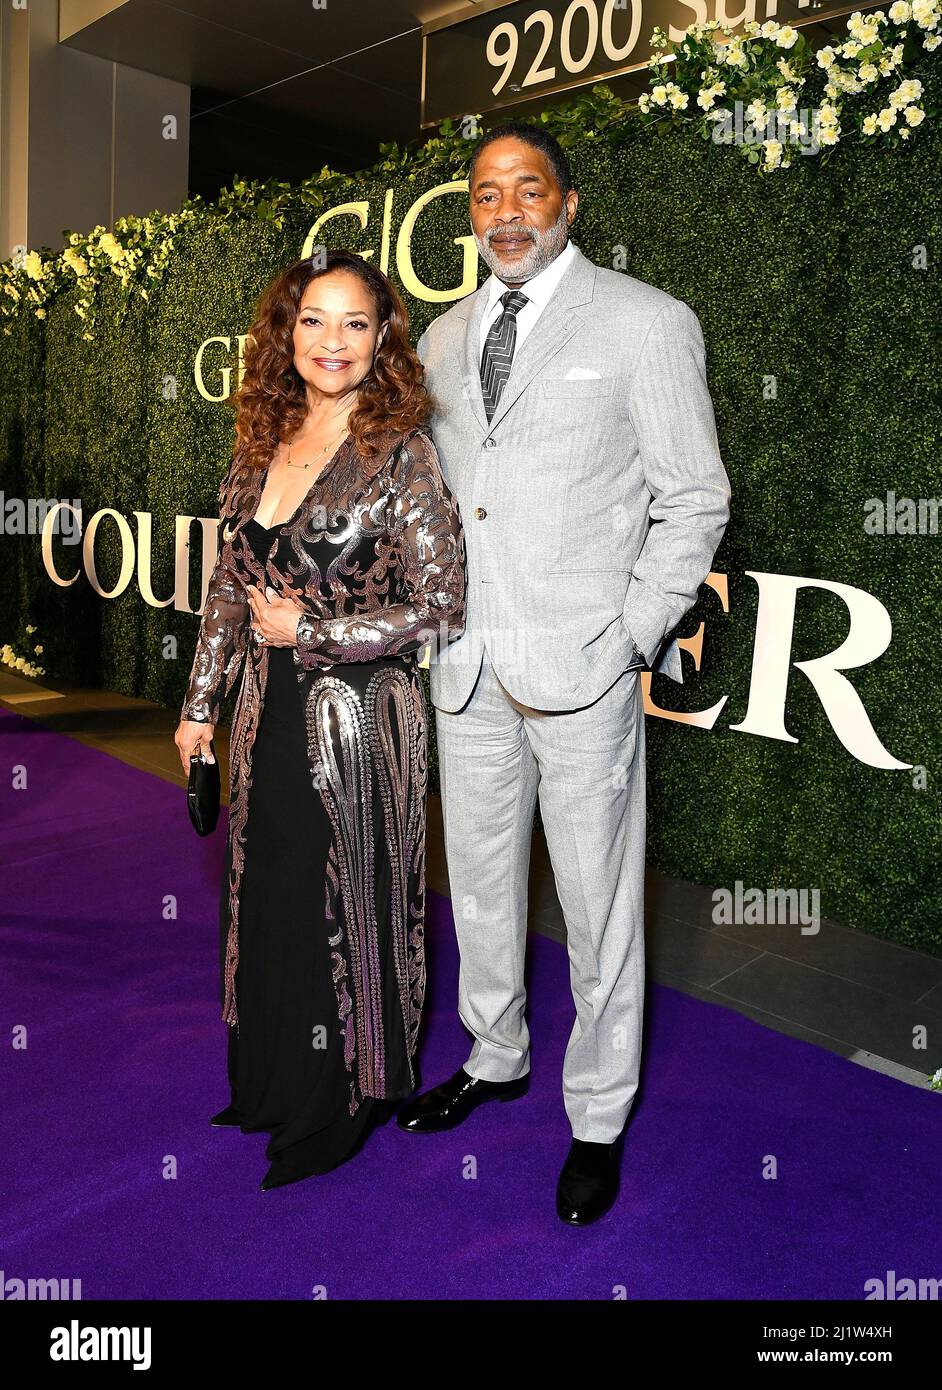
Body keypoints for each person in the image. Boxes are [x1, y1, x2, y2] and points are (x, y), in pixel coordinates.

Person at [396, 122, 731, 1226]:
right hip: (467, 665)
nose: (505, 212)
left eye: (527, 190)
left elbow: (696, 497)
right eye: (486, 195)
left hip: (585, 668)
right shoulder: (440, 340)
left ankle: (597, 1113)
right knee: (483, 883)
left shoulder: (646, 323)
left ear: (569, 204)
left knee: (598, 904)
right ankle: (495, 1056)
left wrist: (633, 631)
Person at [174, 249, 466, 1191]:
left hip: (359, 716)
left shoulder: (402, 452)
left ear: (383, 339)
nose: (330, 342)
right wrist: (199, 709)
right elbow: (228, 588)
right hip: (264, 709)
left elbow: (443, 604)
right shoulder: (261, 439)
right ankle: (270, 1082)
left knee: (349, 902)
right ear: (284, 333)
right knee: (268, 893)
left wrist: (321, 629)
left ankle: (341, 1101)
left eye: (353, 323)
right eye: (312, 321)